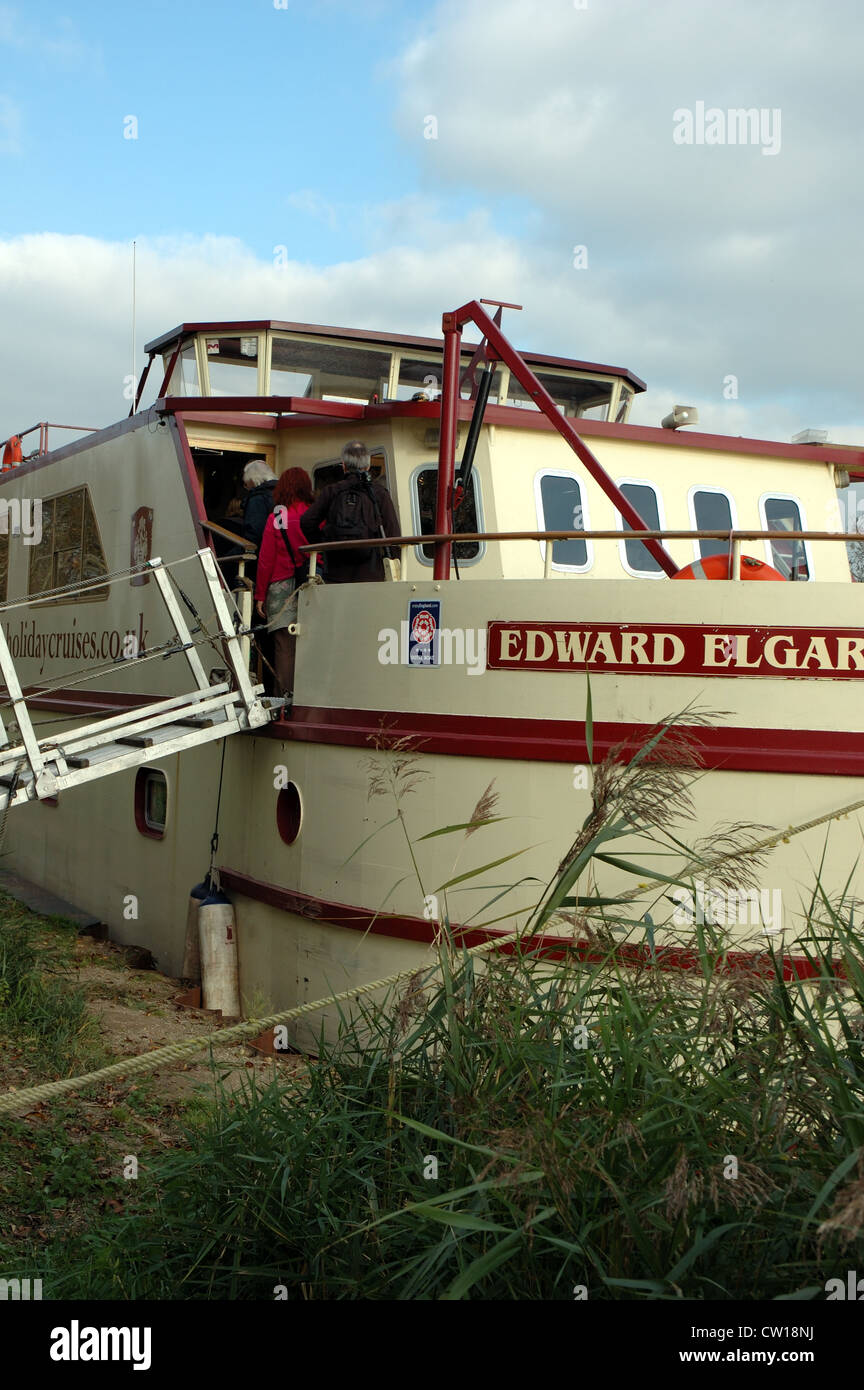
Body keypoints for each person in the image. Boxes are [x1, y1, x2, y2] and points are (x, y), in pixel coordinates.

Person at [299, 441, 400, 583]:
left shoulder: (331, 491)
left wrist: (325, 545)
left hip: (336, 572)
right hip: (370, 574)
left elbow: (306, 521)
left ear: (344, 466)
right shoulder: (379, 494)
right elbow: (393, 532)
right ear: (368, 466)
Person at [255, 468, 315, 703]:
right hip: (310, 583)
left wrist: (260, 594)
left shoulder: (276, 518)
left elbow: (266, 559)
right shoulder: (313, 514)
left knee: (284, 646)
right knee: (311, 641)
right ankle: (309, 697)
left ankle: (284, 699)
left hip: (280, 586)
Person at [241, 459, 277, 551]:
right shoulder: (282, 493)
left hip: (263, 551)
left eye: (247, 483)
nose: (247, 488)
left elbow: (254, 533)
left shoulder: (257, 498)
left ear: (253, 480)